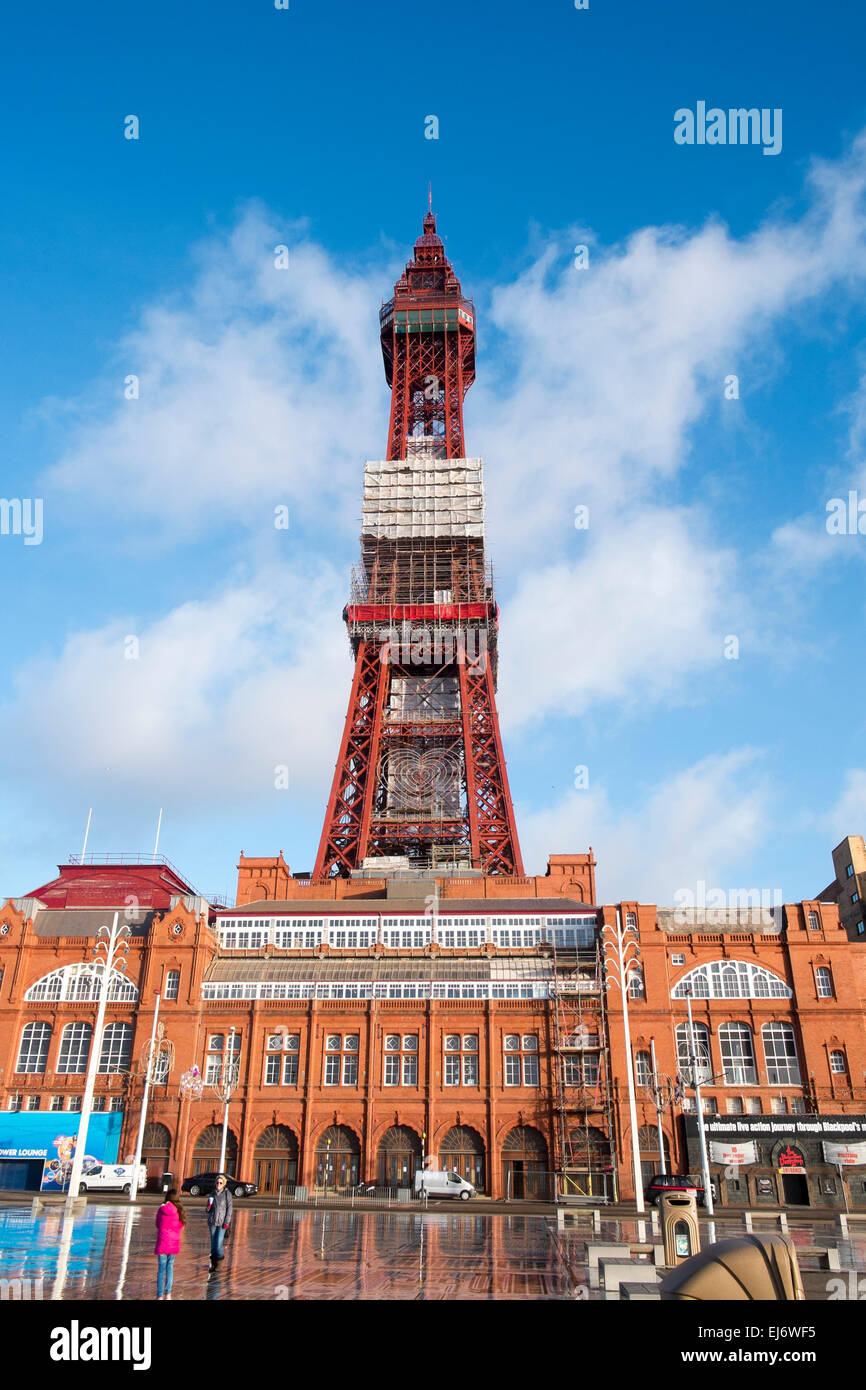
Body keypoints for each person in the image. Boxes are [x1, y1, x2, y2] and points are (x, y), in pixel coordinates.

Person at [154, 1188, 186, 1300]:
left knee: (161, 1269)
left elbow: (157, 1224)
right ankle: (168, 1294)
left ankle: (159, 1295)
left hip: (162, 1241)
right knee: (170, 1267)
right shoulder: (179, 1210)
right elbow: (180, 1225)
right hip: (173, 1242)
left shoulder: (161, 1209)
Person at [206, 1174, 233, 1269]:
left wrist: (226, 1222)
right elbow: (208, 1210)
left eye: (220, 1183)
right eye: (217, 1182)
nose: (218, 1184)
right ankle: (213, 1263)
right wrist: (208, 1207)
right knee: (213, 1243)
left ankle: (220, 1261)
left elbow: (229, 1209)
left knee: (218, 1243)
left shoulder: (227, 1194)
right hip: (212, 1221)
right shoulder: (212, 1194)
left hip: (222, 1223)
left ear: (224, 1184)